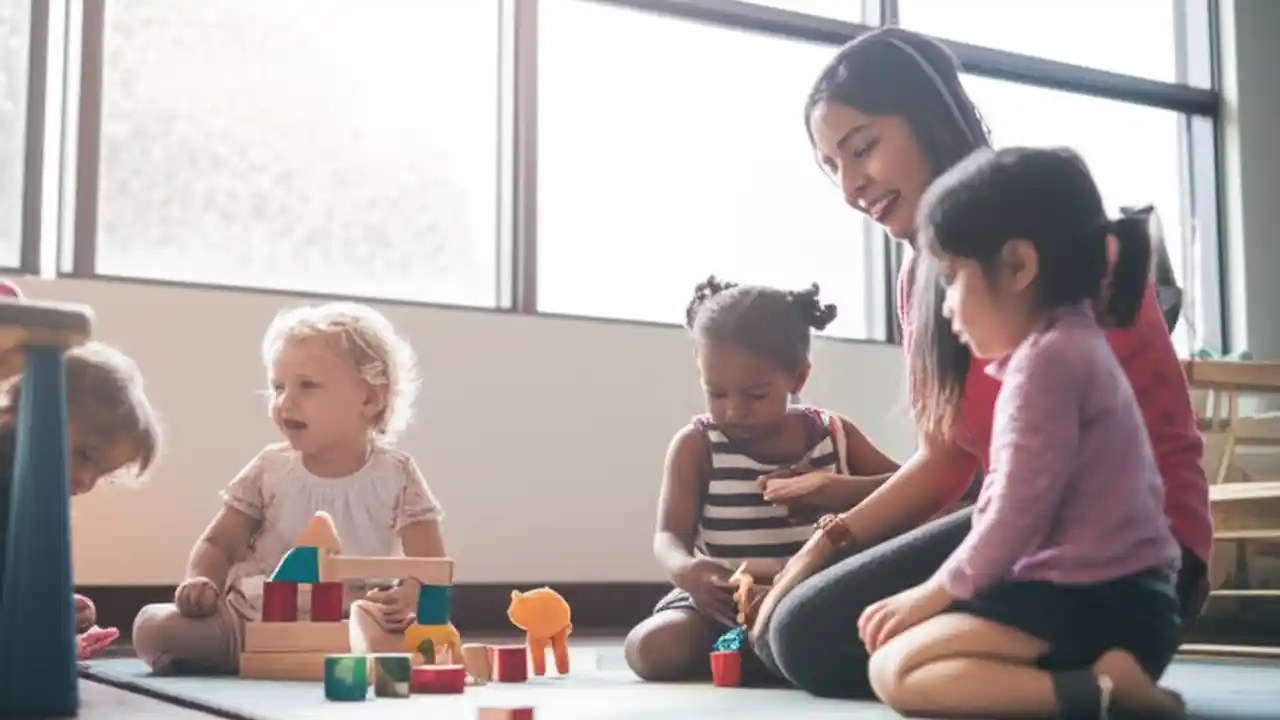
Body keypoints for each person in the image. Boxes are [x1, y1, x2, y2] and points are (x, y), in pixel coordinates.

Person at [748, 27, 1212, 699]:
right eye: (831, 167)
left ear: (928, 118)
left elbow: (1052, 484)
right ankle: (1073, 678)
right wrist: (823, 546)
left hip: (1127, 551)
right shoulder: (923, 280)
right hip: (1027, 529)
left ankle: (1090, 676)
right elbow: (944, 460)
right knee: (800, 628)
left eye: (863, 148)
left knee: (808, 637)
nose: (851, 186)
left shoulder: (1057, 243)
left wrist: (937, 589)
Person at [860, 145, 1185, 718]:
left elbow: (1016, 511)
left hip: (1098, 602)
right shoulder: (1068, 347)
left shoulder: (1048, 362)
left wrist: (932, 594)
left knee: (896, 671)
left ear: (1017, 266)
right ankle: (1103, 682)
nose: (946, 308)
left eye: (954, 277)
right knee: (899, 662)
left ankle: (1103, 691)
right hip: (1115, 600)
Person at [132, 302, 445, 673]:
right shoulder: (270, 468)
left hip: (349, 627)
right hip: (253, 621)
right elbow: (219, 543)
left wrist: (407, 596)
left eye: (307, 386)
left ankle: (306, 662)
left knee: (420, 645)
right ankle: (274, 658)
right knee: (152, 627)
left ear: (369, 398)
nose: (284, 402)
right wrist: (201, 583)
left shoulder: (398, 475)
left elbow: (431, 566)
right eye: (277, 387)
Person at [624, 277, 899, 681]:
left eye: (755, 395)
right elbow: (668, 536)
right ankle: (751, 651)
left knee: (880, 634)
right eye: (716, 393)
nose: (733, 411)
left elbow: (906, 488)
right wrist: (686, 571)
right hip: (721, 604)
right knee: (651, 648)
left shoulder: (833, 435)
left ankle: (759, 654)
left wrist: (835, 492)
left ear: (798, 378)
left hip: (810, 596)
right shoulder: (698, 445)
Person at [0, 341, 161, 658]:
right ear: (35, 409)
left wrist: (54, 604)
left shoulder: (35, 497)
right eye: (85, 456)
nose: (86, 482)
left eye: (101, 473)